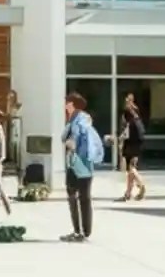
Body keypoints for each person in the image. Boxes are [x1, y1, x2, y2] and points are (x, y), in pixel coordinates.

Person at [60, 92, 100, 242]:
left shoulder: (82, 120)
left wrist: (73, 144)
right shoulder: (73, 120)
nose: (65, 105)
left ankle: (83, 232)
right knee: (73, 197)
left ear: (72, 104)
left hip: (82, 165)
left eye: (67, 102)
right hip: (73, 164)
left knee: (83, 198)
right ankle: (78, 230)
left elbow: (81, 137)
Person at [118, 93, 147, 201]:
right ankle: (128, 193)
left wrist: (120, 139)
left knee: (131, 168)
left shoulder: (127, 113)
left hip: (130, 144)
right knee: (131, 169)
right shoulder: (136, 113)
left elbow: (126, 130)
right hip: (138, 143)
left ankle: (141, 184)